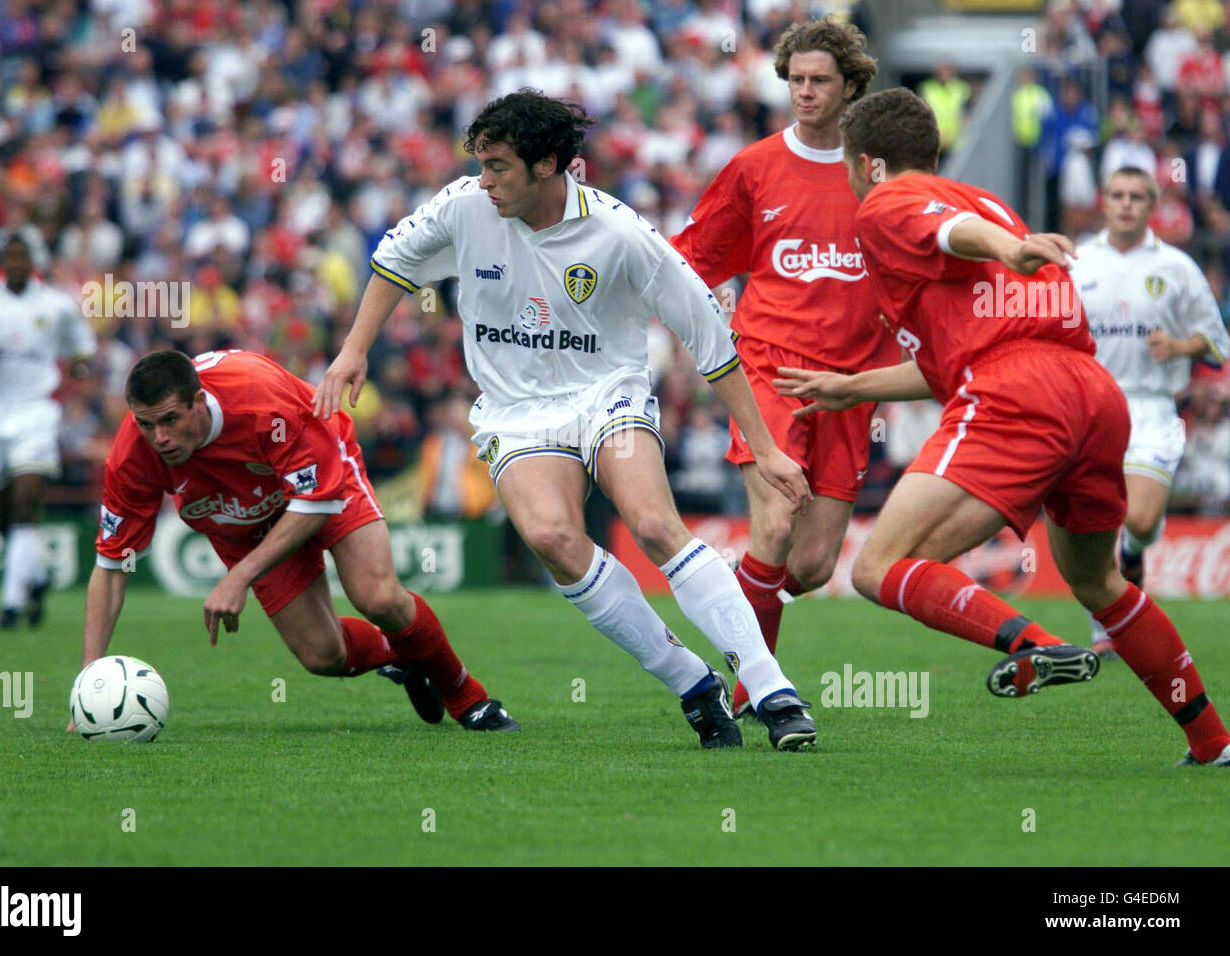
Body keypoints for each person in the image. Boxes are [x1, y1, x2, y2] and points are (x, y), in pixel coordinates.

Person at [316, 90, 818, 751]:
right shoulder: (463, 206)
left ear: (548, 164)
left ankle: (770, 685)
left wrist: (766, 448)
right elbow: (395, 260)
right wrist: (352, 351)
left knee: (651, 523)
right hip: (516, 412)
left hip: (606, 392)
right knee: (552, 537)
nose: (484, 179)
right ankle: (693, 684)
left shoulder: (619, 233)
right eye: (481, 164)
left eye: (498, 167)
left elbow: (708, 337)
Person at [777, 88, 1230, 767]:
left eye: (847, 165)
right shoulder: (987, 199)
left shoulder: (891, 204)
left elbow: (955, 238)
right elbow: (952, 353)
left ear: (870, 165)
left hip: (1017, 393)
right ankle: (1212, 741)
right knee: (1099, 582)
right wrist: (854, 388)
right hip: (1091, 392)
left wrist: (1012, 249)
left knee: (878, 566)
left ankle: (1035, 646)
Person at [75, 348, 517, 733]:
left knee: (378, 597)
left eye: (170, 420)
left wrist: (240, 577)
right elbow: (113, 565)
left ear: (198, 401)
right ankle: (401, 654)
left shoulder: (259, 398)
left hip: (322, 476)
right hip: (245, 523)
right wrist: (87, 688)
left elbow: (316, 502)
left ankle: (468, 697)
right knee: (323, 656)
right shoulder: (134, 453)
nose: (160, 438)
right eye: (146, 424)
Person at [669, 18, 897, 720]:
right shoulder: (755, 167)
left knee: (812, 565)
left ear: (852, 85)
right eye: (796, 78)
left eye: (819, 80)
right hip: (768, 369)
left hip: (850, 385)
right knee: (770, 528)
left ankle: (742, 612)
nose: (804, 91)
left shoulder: (879, 175)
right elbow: (689, 261)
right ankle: (758, 694)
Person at [1072, 166, 1229, 655]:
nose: (1125, 204)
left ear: (1151, 203)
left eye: (1137, 196)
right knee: (1091, 522)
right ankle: (1104, 628)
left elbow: (1218, 343)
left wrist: (1182, 344)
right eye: (1117, 195)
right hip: (1090, 406)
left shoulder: (1177, 266)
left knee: (1138, 520)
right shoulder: (1076, 261)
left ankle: (1135, 552)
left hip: (1150, 408)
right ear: (1104, 200)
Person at [0, 234, 95, 629]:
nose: (16, 262)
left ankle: (10, 606)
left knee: (26, 506)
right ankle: (36, 578)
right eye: (9, 255)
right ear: (1, 259)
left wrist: (80, 370)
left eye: (22, 255)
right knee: (1, 516)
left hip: (37, 411)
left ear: (33, 260)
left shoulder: (57, 305)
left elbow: (82, 349)